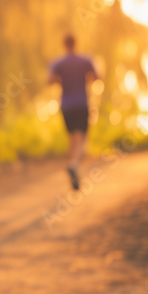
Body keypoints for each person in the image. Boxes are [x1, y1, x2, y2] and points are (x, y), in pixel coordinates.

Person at [48, 34, 98, 190]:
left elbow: (50, 81)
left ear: (64, 44)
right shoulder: (85, 61)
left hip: (66, 105)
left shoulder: (58, 63)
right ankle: (73, 164)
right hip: (81, 103)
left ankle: (73, 166)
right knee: (80, 136)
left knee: (73, 137)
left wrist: (63, 80)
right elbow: (96, 77)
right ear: (76, 43)